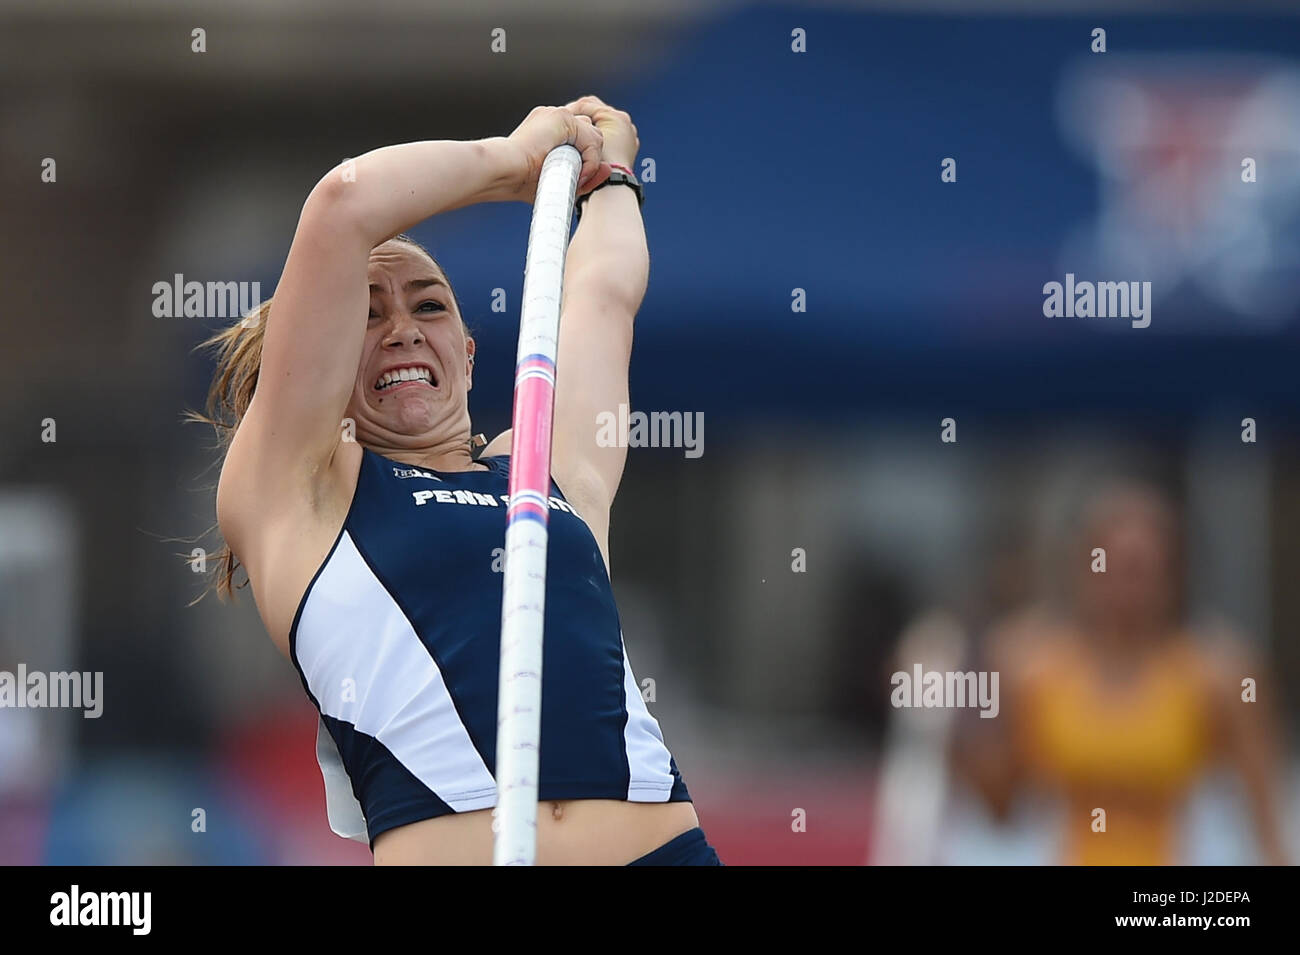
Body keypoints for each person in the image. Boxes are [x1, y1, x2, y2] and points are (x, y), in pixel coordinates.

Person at [195, 96, 722, 865]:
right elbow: (343, 206)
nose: (402, 326)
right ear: (322, 363)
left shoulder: (547, 467)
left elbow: (604, 298)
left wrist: (609, 175)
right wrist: (515, 162)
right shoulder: (297, 492)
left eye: (428, 304)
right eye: (369, 312)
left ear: (469, 356)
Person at [955, 481, 1288, 865]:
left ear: (1172, 576)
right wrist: (967, 699)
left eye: (1139, 570)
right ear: (1082, 569)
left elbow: (1266, 825)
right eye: (1108, 567)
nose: (1123, 588)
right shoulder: (1034, 668)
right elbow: (999, 808)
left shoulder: (1218, 674)